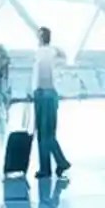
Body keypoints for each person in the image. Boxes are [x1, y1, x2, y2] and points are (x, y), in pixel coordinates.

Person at [33, 27, 72, 178]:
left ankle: (51, 166)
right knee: (48, 133)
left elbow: (41, 75)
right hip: (51, 95)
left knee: (44, 134)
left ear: (41, 38)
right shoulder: (54, 52)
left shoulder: (42, 52)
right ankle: (55, 164)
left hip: (43, 95)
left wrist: (35, 92)